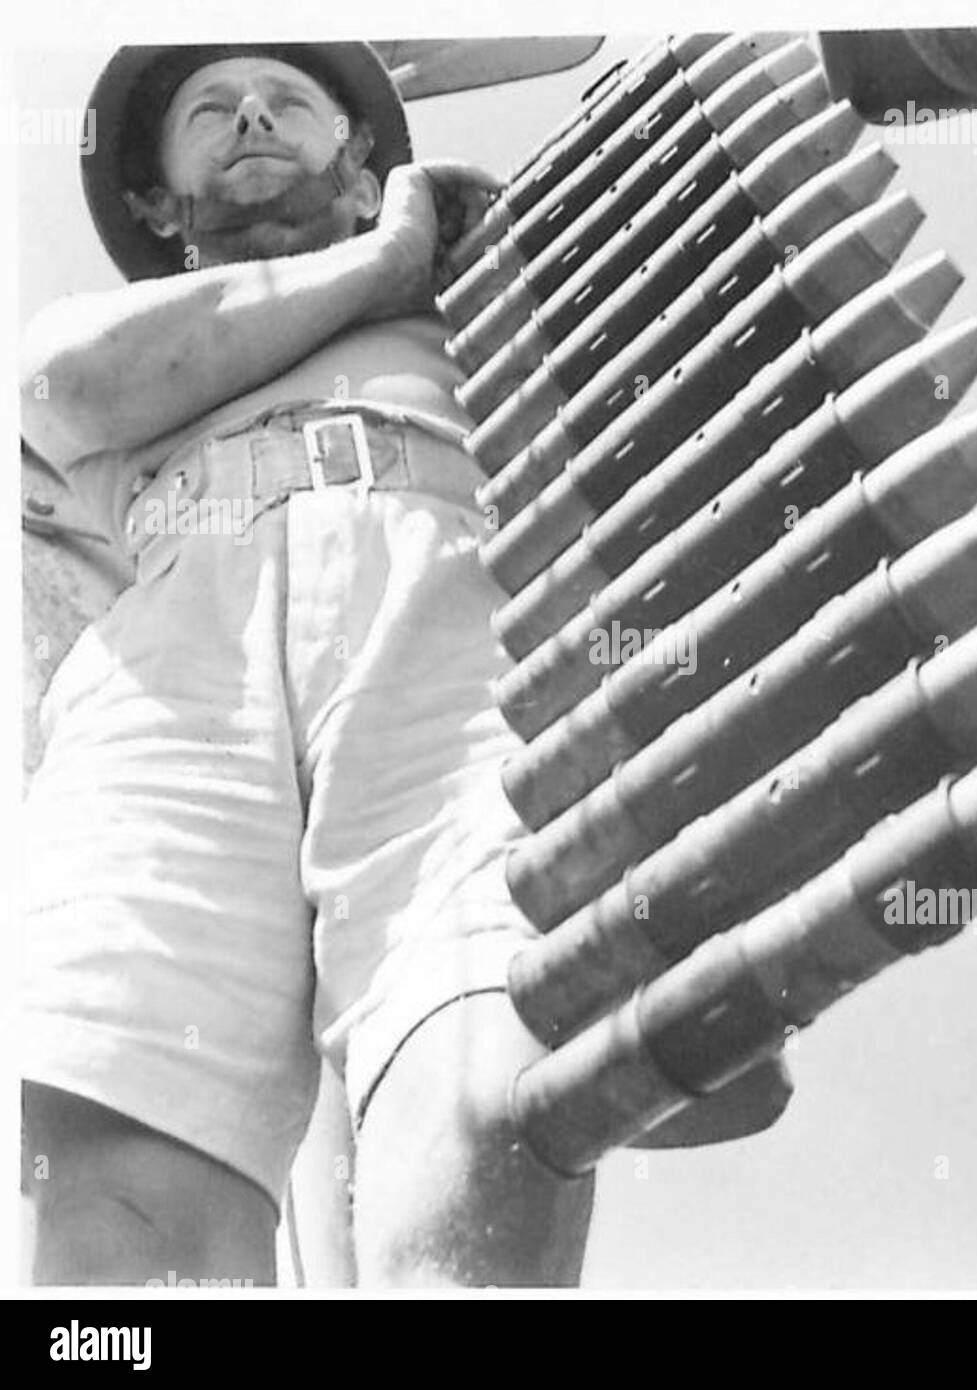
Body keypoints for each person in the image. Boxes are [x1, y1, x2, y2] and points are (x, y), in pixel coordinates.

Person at [19, 41, 594, 1287]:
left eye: (288, 102)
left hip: (437, 606)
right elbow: (63, 385)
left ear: (361, 169)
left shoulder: (487, 308)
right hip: (169, 663)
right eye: (209, 112)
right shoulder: (106, 340)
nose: (250, 118)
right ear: (157, 205)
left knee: (490, 1065)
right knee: (124, 1143)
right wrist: (384, 259)